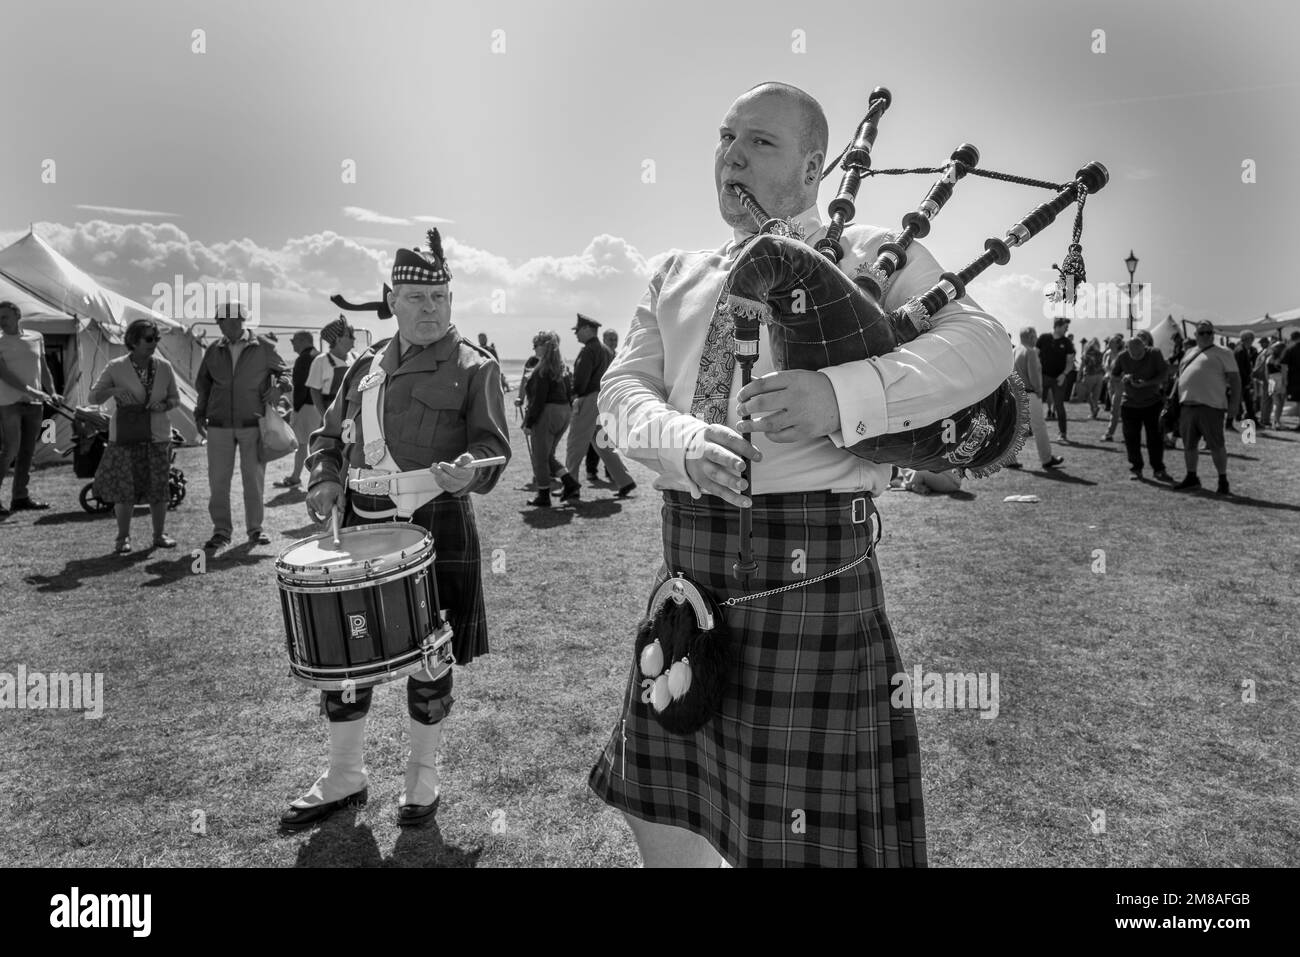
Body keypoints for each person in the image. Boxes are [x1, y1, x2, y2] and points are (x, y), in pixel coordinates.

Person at [587, 81, 1012, 867]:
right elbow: (620, 395)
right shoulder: (676, 272)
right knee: (661, 813)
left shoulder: (870, 253)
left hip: (811, 578)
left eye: (760, 141)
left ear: (816, 165)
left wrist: (842, 396)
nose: (732, 155)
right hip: (690, 573)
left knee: (801, 842)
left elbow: (987, 345)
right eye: (724, 137)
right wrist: (680, 439)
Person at [282, 230, 510, 831]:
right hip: (359, 520)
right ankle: (344, 775)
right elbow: (328, 437)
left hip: (435, 521)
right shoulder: (363, 365)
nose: (430, 308)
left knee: (430, 652)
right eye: (417, 298)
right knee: (344, 649)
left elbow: (493, 449)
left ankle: (422, 775)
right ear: (392, 299)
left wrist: (469, 474)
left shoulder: (474, 368)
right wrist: (322, 478)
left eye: (440, 296)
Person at [194, 301, 291, 551]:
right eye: (220, 322)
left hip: (253, 423)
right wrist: (199, 412)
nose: (223, 326)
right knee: (218, 482)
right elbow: (203, 384)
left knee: (253, 480)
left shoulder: (264, 347)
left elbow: (285, 373)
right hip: (218, 424)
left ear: (240, 320)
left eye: (226, 321)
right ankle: (221, 532)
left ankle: (255, 530)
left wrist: (279, 388)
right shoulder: (214, 350)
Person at [88, 319, 181, 552]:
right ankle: (123, 538)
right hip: (126, 436)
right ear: (133, 340)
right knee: (125, 490)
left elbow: (175, 399)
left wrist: (165, 405)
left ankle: (159, 535)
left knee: (159, 488)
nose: (154, 343)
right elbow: (93, 397)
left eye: (156, 338)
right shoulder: (116, 366)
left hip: (158, 435)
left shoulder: (164, 366)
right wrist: (115, 390)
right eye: (149, 339)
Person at [560, 314, 635, 501]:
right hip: (603, 399)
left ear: (587, 329)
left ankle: (572, 485)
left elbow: (581, 379)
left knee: (575, 444)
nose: (576, 334)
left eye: (578, 330)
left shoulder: (588, 350)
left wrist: (575, 396)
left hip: (588, 399)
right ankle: (624, 480)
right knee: (603, 444)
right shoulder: (607, 351)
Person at [0, 301, 61, 515]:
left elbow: (43, 368)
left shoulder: (36, 337)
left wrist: (51, 391)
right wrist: (31, 391)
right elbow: (3, 373)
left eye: (5, 317)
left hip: (35, 403)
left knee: (28, 451)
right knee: (10, 449)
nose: (1, 321)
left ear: (17, 315)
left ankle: (20, 497)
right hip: (9, 402)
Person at [1173, 320, 1240, 495]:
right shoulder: (1189, 352)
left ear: (1213, 334)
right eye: (1202, 333)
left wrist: (1234, 404)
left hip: (1211, 406)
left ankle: (1223, 479)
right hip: (1188, 405)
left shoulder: (1224, 353)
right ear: (1195, 335)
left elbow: (1235, 380)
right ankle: (1191, 477)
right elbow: (1180, 376)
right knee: (1189, 445)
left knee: (1216, 445)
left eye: (1209, 332)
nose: (1206, 335)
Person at [522, 331, 573, 508]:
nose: (533, 349)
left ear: (544, 347)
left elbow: (538, 400)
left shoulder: (542, 370)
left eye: (535, 345)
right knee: (547, 454)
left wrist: (529, 423)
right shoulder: (562, 368)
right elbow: (570, 394)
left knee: (540, 457)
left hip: (548, 413)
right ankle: (570, 483)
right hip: (564, 412)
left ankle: (543, 495)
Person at [1112, 335, 1171, 482]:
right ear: (1127, 349)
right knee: (1131, 438)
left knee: (1155, 438)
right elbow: (1114, 376)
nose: (1136, 357)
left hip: (1152, 402)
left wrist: (1147, 383)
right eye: (1133, 354)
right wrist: (1124, 378)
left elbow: (1164, 375)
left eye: (1139, 353)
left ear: (1144, 347)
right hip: (1129, 404)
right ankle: (1136, 468)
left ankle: (1158, 469)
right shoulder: (1122, 357)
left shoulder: (1155, 353)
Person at [1006, 326, 1064, 471]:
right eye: (1035, 335)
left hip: (1016, 393)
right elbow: (1034, 375)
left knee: (1014, 428)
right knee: (1039, 427)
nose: (1037, 338)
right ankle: (1046, 458)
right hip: (1029, 393)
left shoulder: (1014, 350)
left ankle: (1010, 458)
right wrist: (1039, 390)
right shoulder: (1030, 352)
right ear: (1031, 336)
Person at [273, 330, 320, 489]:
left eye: (294, 341)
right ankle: (303, 477)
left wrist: (297, 408)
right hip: (318, 407)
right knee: (313, 444)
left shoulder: (304, 358)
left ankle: (298, 478)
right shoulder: (318, 355)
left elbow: (301, 386)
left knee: (302, 445)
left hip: (306, 407)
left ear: (302, 340)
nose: (292, 344)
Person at [586, 329, 622, 481]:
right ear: (604, 339)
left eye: (615, 339)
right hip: (598, 402)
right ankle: (591, 470)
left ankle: (611, 472)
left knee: (611, 439)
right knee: (595, 437)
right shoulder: (600, 355)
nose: (613, 342)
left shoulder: (620, 356)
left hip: (614, 403)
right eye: (610, 339)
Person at [306, 318, 357, 419]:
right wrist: (325, 417)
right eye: (348, 335)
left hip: (353, 412)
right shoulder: (321, 361)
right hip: (332, 414)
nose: (353, 339)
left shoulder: (356, 358)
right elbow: (315, 391)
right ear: (338, 339)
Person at [1036, 317, 1074, 441]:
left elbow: (1070, 362)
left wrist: (1064, 374)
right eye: (1065, 326)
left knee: (1059, 406)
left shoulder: (1067, 342)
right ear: (1057, 326)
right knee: (1036, 404)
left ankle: (1062, 433)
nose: (1067, 329)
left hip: (1059, 379)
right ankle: (1030, 430)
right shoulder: (1043, 338)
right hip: (1043, 377)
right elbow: (1035, 356)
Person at [1231, 331, 1258, 429]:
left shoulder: (1241, 349)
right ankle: (1249, 418)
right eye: (1252, 339)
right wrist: (1246, 381)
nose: (1252, 342)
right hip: (1242, 379)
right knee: (1246, 400)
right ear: (1247, 339)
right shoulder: (1241, 350)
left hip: (1242, 379)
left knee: (1245, 400)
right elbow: (1240, 368)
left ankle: (1250, 417)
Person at [1100, 334, 1124, 440]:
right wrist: (1107, 375)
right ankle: (1128, 433)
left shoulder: (1123, 354)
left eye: (1112, 341)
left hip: (1120, 383)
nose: (1109, 343)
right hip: (1110, 383)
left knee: (1115, 408)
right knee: (1117, 410)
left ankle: (1109, 433)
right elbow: (1105, 367)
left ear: (1117, 343)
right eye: (1109, 341)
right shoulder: (1107, 354)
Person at [1262, 341, 1286, 431]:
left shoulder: (1269, 358)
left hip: (1271, 380)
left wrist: (1269, 381)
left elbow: (1266, 373)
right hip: (1280, 380)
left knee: (1276, 402)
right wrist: (1285, 383)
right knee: (1280, 403)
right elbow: (1284, 372)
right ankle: (1276, 422)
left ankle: (1276, 422)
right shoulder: (1282, 359)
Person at [1282, 330, 1300, 430]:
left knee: (1298, 402)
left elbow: (1284, 366)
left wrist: (1284, 380)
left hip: (1295, 380)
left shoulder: (1290, 349)